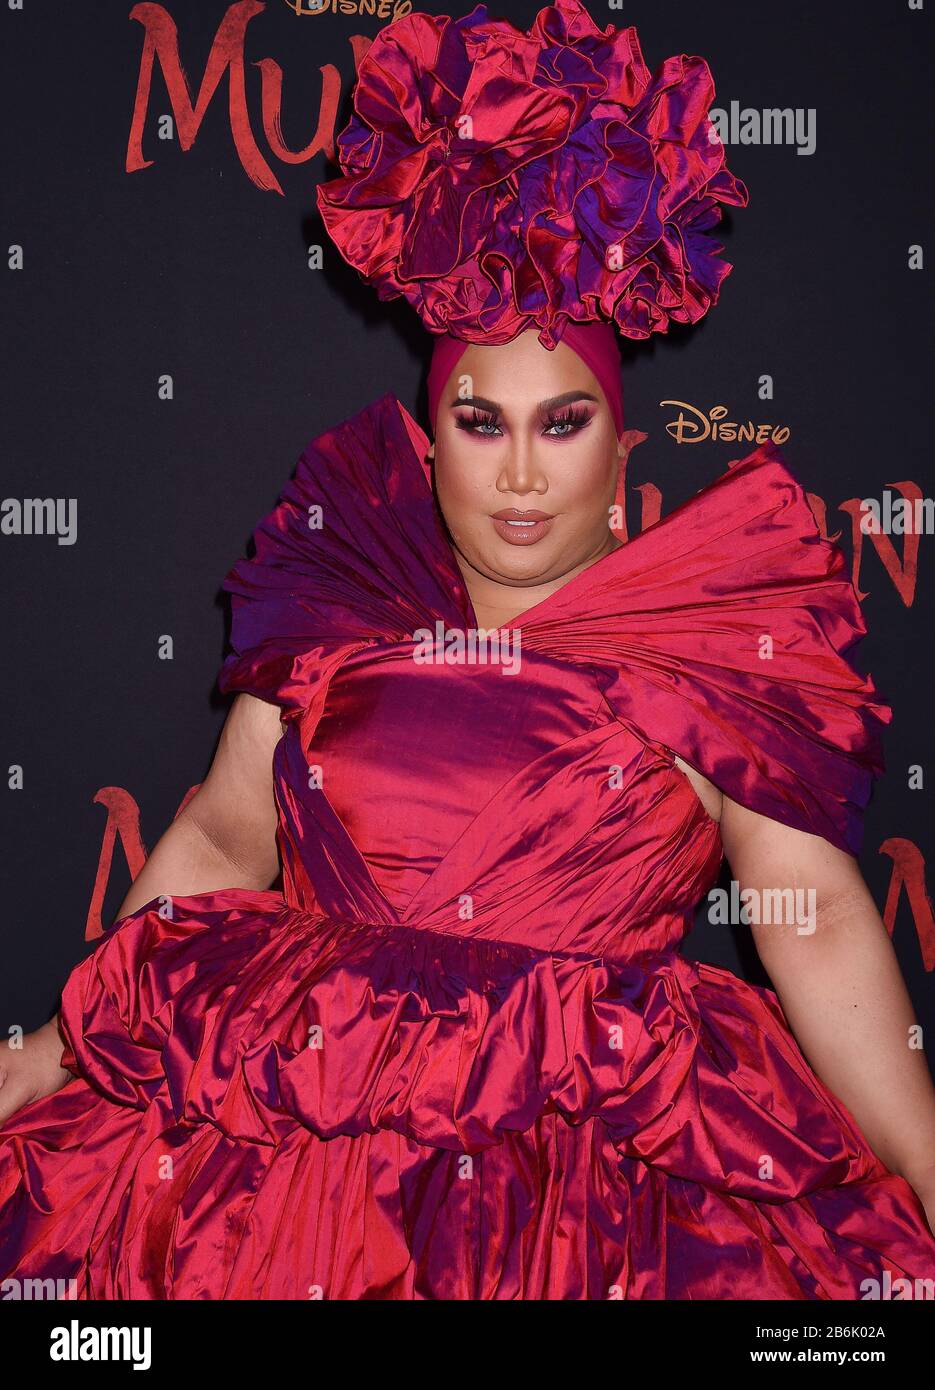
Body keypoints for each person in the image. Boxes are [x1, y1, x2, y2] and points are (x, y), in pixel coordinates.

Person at [1, 0, 934, 1300]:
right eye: (479, 421)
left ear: (619, 440)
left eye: (562, 422)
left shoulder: (716, 642)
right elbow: (219, 847)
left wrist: (929, 1177)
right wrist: (47, 1049)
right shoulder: (337, 606)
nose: (519, 473)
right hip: (290, 1180)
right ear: (431, 432)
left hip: (603, 1191)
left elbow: (817, 917)